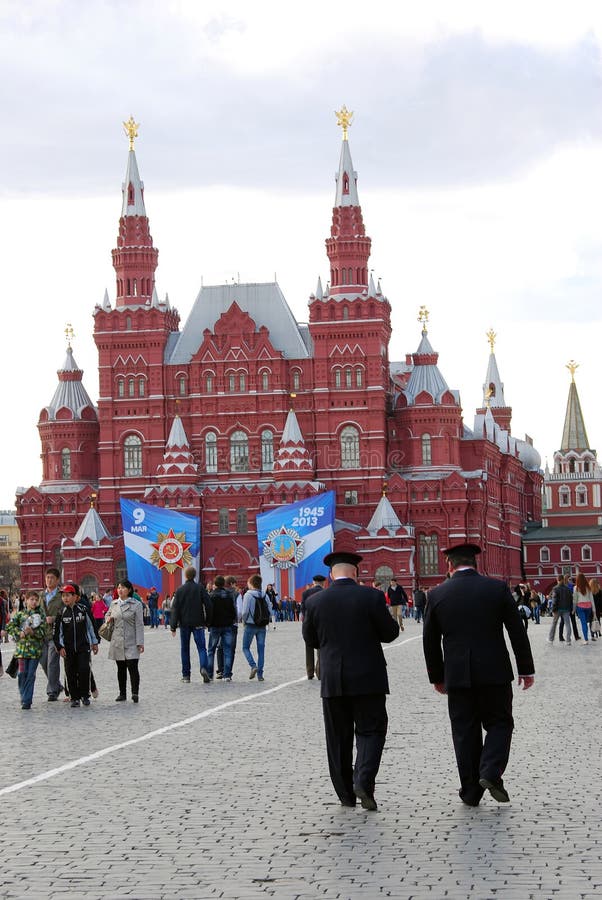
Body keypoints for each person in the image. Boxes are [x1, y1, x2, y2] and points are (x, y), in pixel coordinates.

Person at [423, 544, 534, 807]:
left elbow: (430, 641)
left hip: (458, 675)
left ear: (449, 565)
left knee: (464, 731)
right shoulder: (496, 589)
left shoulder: (437, 594)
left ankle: (471, 792)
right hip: (494, 671)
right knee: (500, 723)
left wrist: (437, 677)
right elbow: (516, 631)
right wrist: (525, 668)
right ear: (476, 563)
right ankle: (491, 772)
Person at [302, 550, 399, 811]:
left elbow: (310, 640)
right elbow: (390, 633)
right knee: (371, 730)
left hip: (333, 679)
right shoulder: (372, 596)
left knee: (337, 737)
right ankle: (364, 779)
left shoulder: (314, 602)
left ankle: (346, 794)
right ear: (355, 573)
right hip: (369, 677)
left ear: (331, 575)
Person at [54, 583, 99, 708]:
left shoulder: (83, 610)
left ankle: (85, 695)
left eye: (68, 595)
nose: (65, 598)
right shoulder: (61, 613)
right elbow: (57, 633)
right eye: (63, 596)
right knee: (70, 673)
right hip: (68, 650)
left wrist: (94, 642)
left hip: (83, 647)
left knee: (84, 670)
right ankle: (74, 697)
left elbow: (91, 627)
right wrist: (60, 647)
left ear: (75, 596)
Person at [170, 566, 211, 684]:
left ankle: (186, 675)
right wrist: (208, 621)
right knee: (202, 647)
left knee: (185, 649)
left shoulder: (180, 590)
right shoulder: (200, 588)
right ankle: (204, 668)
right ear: (195, 575)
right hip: (198, 622)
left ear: (185, 576)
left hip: (184, 624)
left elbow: (175, 609)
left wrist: (173, 625)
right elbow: (208, 605)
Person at [7, 590, 47, 709]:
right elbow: (10, 626)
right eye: (31, 599)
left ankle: (26, 700)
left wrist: (33, 632)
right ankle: (23, 695)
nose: (34, 602)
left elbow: (43, 632)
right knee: (21, 674)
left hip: (35, 652)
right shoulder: (20, 615)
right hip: (22, 652)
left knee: (30, 675)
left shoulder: (41, 616)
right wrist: (19, 633)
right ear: (26, 600)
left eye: (36, 600)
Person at [107, 579, 144, 702]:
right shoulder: (114, 604)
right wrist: (108, 618)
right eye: (118, 588)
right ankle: (122, 693)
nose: (120, 590)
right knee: (121, 668)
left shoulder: (136, 604)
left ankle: (135, 693)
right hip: (118, 641)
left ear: (129, 590)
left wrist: (140, 642)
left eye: (122, 588)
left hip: (131, 640)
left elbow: (139, 624)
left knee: (133, 667)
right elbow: (107, 614)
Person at [39, 567, 65, 701]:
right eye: (47, 577)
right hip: (41, 634)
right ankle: (57, 685)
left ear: (57, 580)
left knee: (52, 663)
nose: (49, 580)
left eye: (52, 578)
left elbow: (65, 613)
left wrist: (54, 618)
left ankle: (52, 691)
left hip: (54, 635)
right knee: (43, 662)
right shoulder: (40, 596)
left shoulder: (61, 596)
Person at [241, 574, 272, 682]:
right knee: (261, 650)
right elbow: (270, 610)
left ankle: (253, 665)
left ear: (251, 583)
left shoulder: (248, 595)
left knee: (245, 647)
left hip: (250, 624)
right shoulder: (265, 595)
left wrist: (243, 621)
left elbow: (244, 611)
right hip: (262, 625)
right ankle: (260, 674)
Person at [206, 575, 237, 681]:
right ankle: (227, 674)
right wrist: (232, 619)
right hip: (227, 625)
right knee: (228, 650)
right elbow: (233, 610)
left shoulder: (211, 595)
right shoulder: (229, 595)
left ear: (215, 584)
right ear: (224, 583)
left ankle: (210, 675)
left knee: (211, 650)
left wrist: (208, 623)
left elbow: (209, 611)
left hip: (215, 626)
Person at [300, 575, 327, 679]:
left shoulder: (306, 593)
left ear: (313, 582)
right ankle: (320, 672)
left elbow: (302, 608)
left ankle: (309, 672)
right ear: (323, 583)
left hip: (308, 623)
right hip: (321, 623)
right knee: (321, 647)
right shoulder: (325, 592)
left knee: (309, 647)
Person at [547, 576, 573, 645]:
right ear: (563, 580)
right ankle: (568, 640)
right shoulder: (567, 588)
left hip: (557, 609)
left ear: (558, 580)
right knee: (568, 624)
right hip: (566, 609)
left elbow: (554, 600)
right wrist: (570, 608)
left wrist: (553, 609)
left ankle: (551, 639)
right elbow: (571, 599)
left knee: (554, 624)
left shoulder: (555, 588)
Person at [573, 573, 595, 643]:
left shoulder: (576, 588)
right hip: (588, 607)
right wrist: (594, 609)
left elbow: (575, 600)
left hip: (580, 607)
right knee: (586, 622)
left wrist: (573, 609)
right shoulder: (588, 587)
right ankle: (587, 636)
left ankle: (585, 639)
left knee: (583, 623)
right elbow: (592, 599)